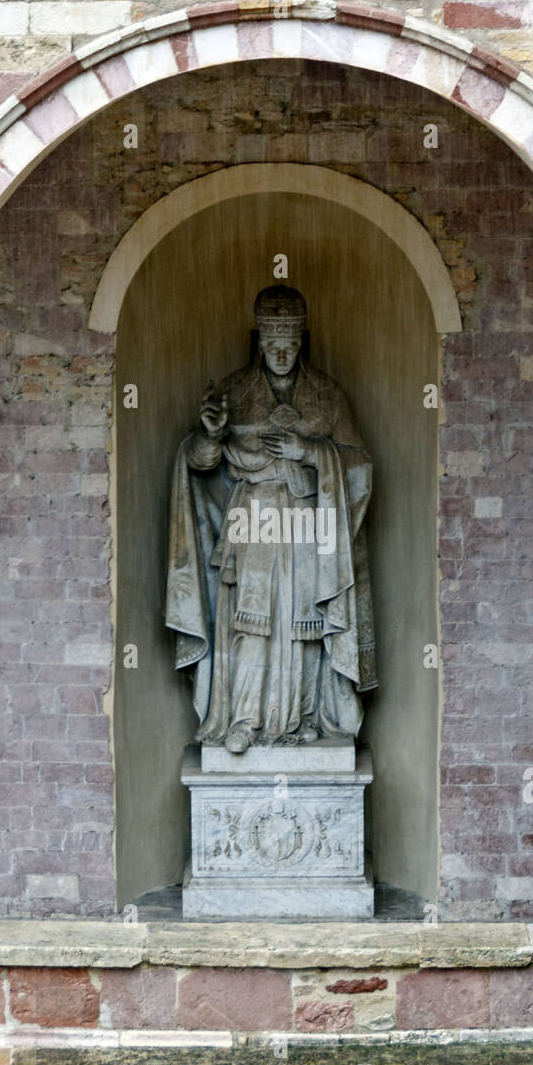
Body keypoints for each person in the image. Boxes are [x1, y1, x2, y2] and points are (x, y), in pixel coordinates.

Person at [166, 285, 376, 753]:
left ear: (301, 341)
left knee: (306, 624)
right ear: (259, 341)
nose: (281, 353)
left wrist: (312, 452)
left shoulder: (326, 395)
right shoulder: (234, 391)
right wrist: (210, 435)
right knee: (251, 624)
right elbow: (200, 465)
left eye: (290, 343)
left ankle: (305, 721)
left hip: (306, 525)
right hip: (253, 523)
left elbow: (360, 466)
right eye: (272, 343)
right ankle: (243, 719)